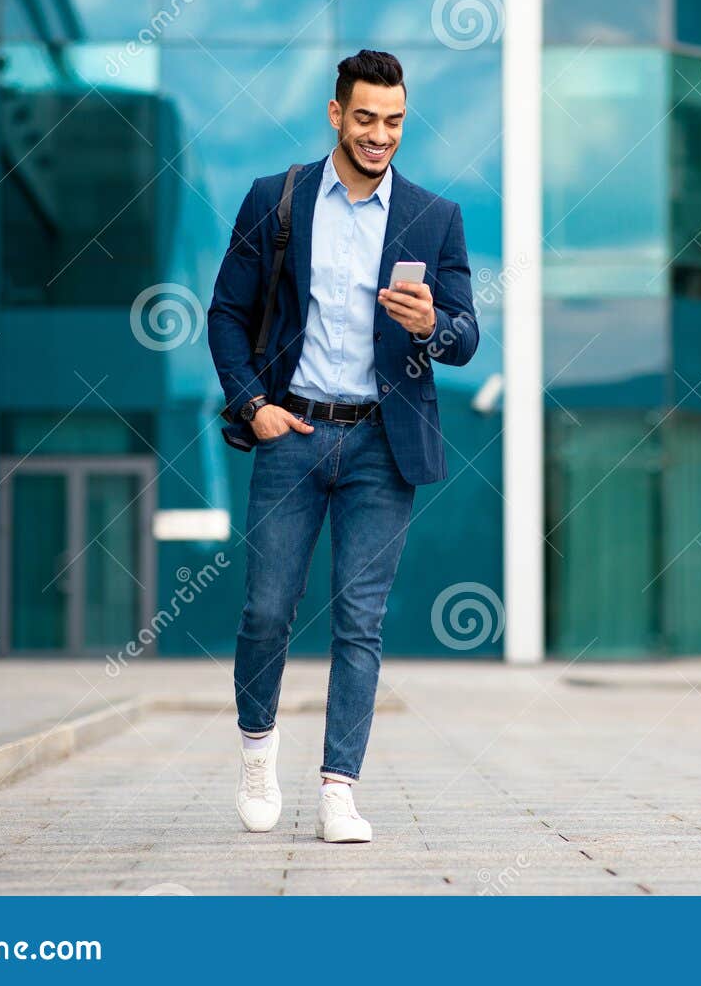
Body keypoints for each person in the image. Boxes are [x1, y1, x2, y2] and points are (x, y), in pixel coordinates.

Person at [206, 49, 478, 843]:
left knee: (360, 619)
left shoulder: (434, 217)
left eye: (394, 121)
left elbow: (463, 337)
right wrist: (252, 404)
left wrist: (433, 325)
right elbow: (226, 314)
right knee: (265, 611)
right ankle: (258, 751)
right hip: (290, 431)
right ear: (336, 113)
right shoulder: (276, 200)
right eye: (365, 118)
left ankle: (338, 788)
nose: (380, 134)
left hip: (380, 445)